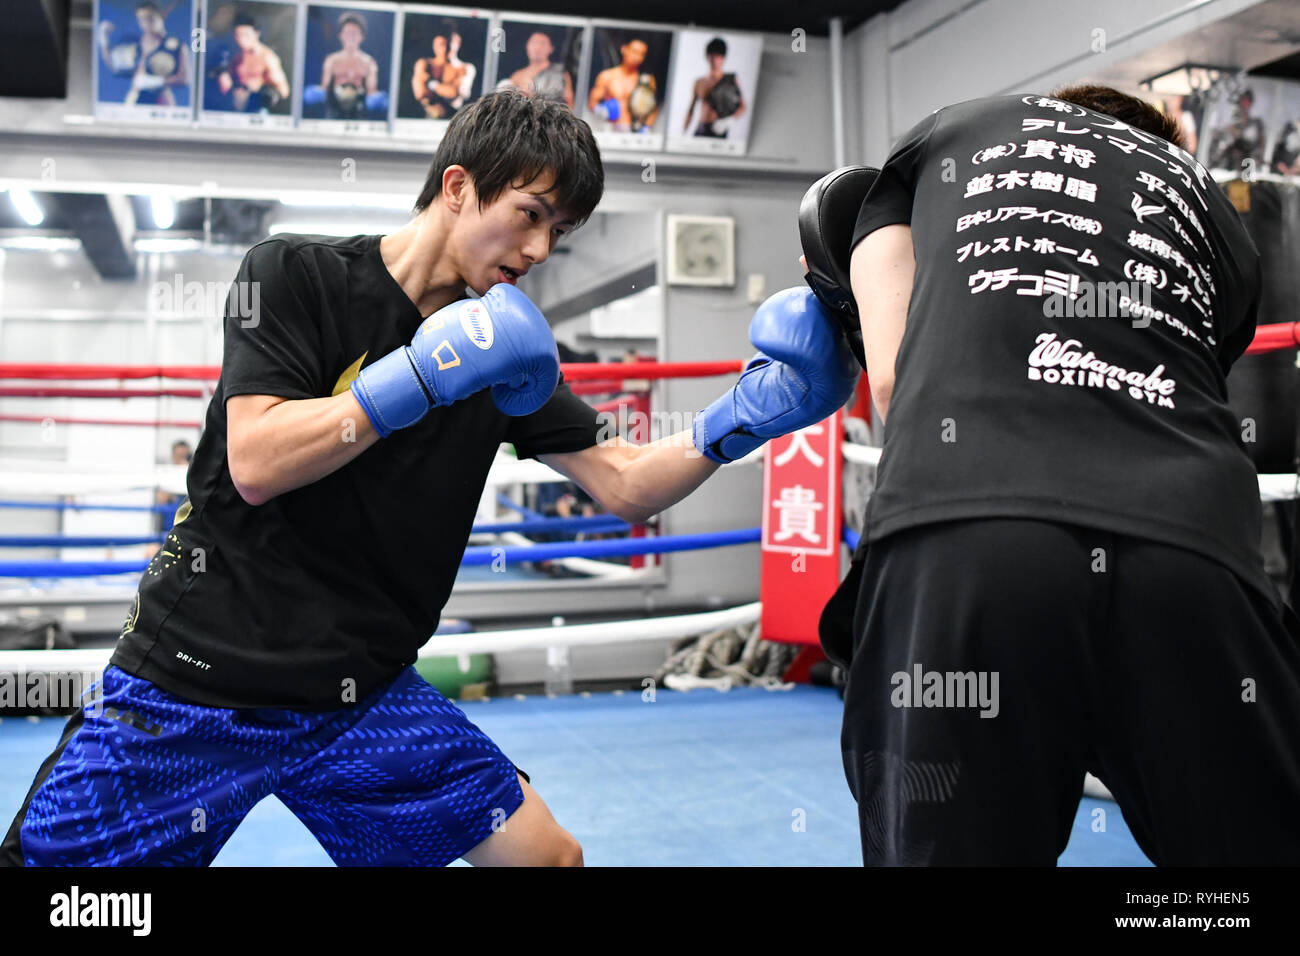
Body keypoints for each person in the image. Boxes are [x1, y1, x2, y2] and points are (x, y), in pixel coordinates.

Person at [1, 89, 858, 868]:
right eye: (529, 214)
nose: (538, 249)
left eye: (558, 232)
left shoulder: (506, 353)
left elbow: (624, 481)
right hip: (197, 683)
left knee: (547, 860)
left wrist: (750, 415)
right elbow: (255, 461)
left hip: (358, 695)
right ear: (457, 185)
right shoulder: (294, 275)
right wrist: (417, 376)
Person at [815, 84, 1300, 865]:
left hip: (970, 528)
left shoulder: (949, 131)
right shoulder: (1208, 201)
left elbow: (891, 386)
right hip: (1193, 549)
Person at [97, 1, 189, 107]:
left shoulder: (176, 47)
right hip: (135, 100)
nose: (146, 23)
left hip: (161, 101)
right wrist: (104, 39)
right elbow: (114, 66)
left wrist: (156, 81)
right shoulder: (136, 47)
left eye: (150, 18)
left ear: (161, 17)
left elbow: (184, 78)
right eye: (141, 19)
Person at [306, 12, 383, 121]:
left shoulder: (369, 63)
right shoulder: (331, 61)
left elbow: (371, 93)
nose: (350, 37)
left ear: (361, 36)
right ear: (341, 35)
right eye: (347, 33)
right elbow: (324, 89)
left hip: (358, 113)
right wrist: (315, 94)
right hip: (335, 112)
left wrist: (378, 99)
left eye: (354, 33)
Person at [210, 13, 291, 114]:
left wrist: (264, 94)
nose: (242, 40)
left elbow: (283, 90)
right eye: (238, 35)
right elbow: (226, 86)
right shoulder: (238, 57)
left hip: (257, 110)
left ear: (256, 34)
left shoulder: (268, 57)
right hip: (238, 109)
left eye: (246, 35)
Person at [587, 36, 659, 133]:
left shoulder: (647, 80)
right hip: (612, 130)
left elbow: (653, 108)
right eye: (634, 51)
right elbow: (592, 103)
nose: (636, 57)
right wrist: (603, 111)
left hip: (636, 129)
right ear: (624, 49)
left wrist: (647, 128)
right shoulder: (607, 76)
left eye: (641, 54)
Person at [412, 20, 475, 119]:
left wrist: (429, 82)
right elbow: (420, 93)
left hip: (454, 120)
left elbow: (454, 93)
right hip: (425, 119)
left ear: (457, 42)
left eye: (448, 44)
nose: (444, 49)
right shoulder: (424, 64)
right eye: (441, 44)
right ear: (434, 44)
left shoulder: (465, 68)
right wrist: (443, 89)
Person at [683, 37, 744, 139]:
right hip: (701, 129)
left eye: (718, 56)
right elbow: (691, 110)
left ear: (723, 58)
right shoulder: (699, 82)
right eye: (712, 55)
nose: (715, 60)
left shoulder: (730, 80)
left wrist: (728, 122)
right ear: (707, 56)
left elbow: (742, 106)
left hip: (719, 129)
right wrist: (683, 133)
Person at [498, 31, 573, 109]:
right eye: (534, 43)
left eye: (542, 44)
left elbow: (569, 103)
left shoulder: (560, 73)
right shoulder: (518, 76)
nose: (537, 48)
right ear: (527, 46)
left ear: (551, 49)